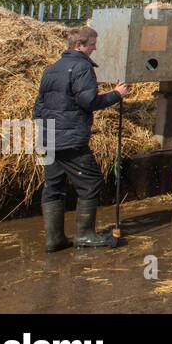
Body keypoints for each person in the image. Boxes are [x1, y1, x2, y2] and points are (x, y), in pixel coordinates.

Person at [34, 26, 128, 251]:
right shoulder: (82, 67)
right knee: (90, 182)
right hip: (70, 139)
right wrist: (116, 94)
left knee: (53, 185)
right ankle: (85, 234)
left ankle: (54, 239)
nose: (95, 48)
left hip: (48, 137)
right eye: (92, 44)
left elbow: (38, 106)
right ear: (79, 45)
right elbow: (89, 101)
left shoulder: (51, 69)